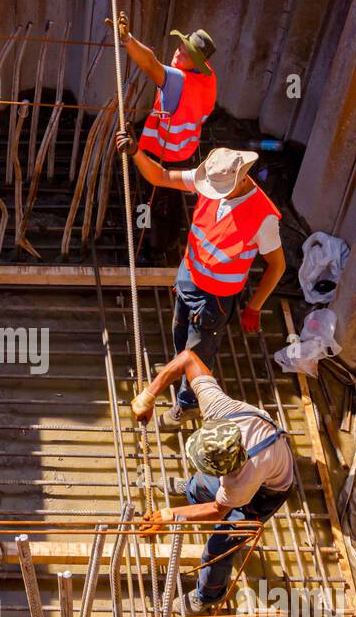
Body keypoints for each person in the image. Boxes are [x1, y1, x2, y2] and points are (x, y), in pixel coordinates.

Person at [115, 131, 287, 427]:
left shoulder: (263, 218)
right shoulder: (209, 179)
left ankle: (188, 404)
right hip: (188, 283)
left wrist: (253, 307)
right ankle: (177, 368)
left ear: (241, 179)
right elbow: (161, 177)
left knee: (198, 354)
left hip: (214, 301)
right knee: (181, 339)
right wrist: (136, 153)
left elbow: (277, 266)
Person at [130, 347, 294, 615]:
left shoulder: (241, 478)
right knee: (200, 485)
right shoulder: (220, 408)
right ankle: (194, 489)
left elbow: (219, 510)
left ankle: (208, 595)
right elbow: (188, 358)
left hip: (267, 491)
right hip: (260, 459)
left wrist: (168, 516)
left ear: (229, 469)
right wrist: (148, 396)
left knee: (218, 547)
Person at [105, 12, 217, 261]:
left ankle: (153, 247)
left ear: (196, 63)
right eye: (181, 46)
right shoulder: (208, 76)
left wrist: (128, 40)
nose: (179, 52)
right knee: (173, 194)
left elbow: (150, 64)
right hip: (185, 150)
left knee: (156, 196)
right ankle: (169, 233)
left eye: (186, 53)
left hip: (164, 152)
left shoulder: (179, 81)